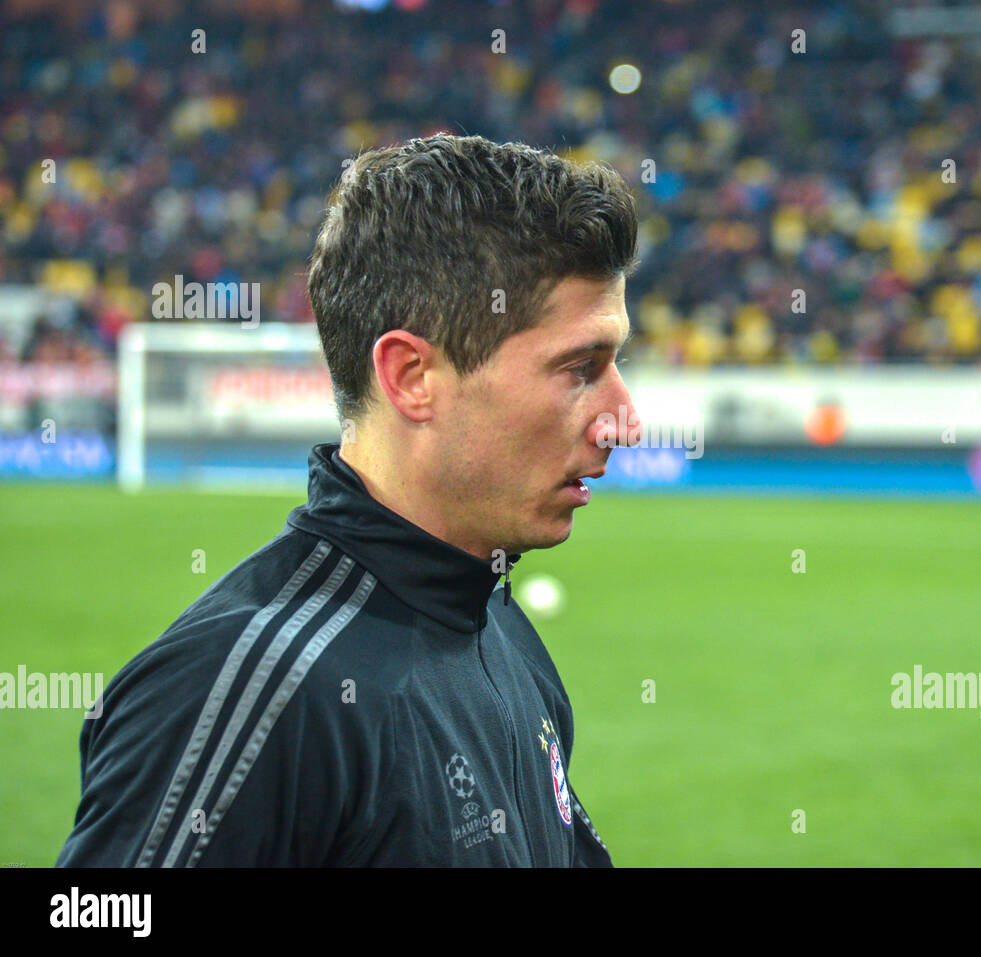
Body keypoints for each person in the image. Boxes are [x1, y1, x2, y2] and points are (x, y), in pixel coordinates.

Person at [56, 134, 642, 866]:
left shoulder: (496, 623)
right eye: (581, 368)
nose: (625, 420)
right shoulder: (249, 692)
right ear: (411, 375)